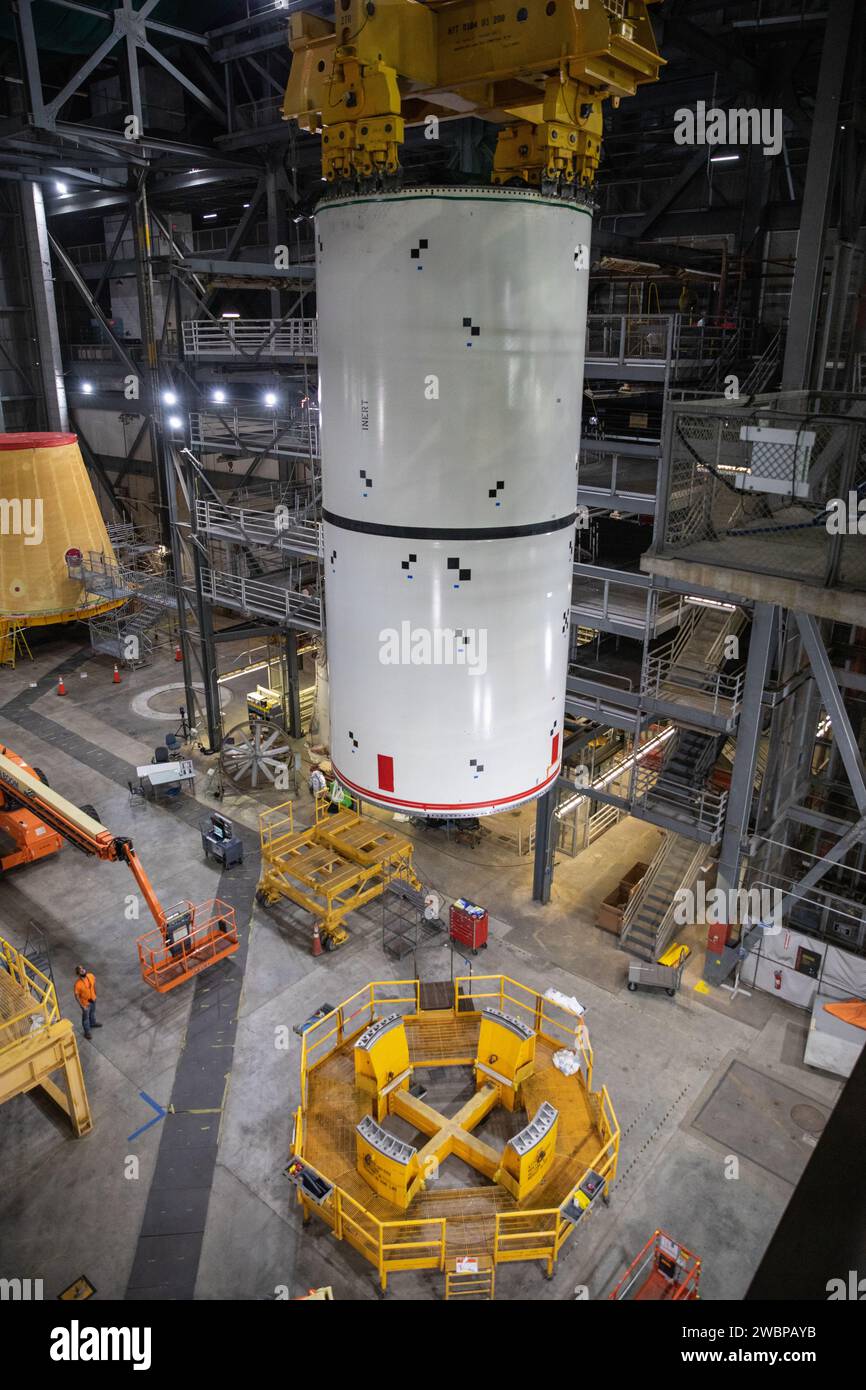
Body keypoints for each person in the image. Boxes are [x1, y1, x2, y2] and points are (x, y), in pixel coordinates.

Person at [73, 965, 101, 1040]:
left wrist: (95, 993)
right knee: (85, 1018)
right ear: (78, 974)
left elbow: (94, 984)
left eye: (83, 969)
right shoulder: (77, 984)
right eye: (80, 970)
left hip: (93, 999)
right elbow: (76, 996)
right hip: (85, 1004)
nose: (83, 970)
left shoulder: (90, 976)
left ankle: (93, 1023)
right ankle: (87, 1032)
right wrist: (82, 1006)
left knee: (92, 1012)